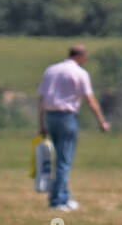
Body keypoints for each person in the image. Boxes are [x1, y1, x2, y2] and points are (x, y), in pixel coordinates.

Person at [38, 45, 110, 211]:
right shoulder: (79, 73)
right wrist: (102, 122)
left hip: (50, 116)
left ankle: (63, 195)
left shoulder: (51, 70)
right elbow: (90, 101)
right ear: (81, 57)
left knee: (60, 159)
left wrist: (41, 124)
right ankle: (58, 201)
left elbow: (41, 98)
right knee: (64, 160)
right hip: (66, 118)